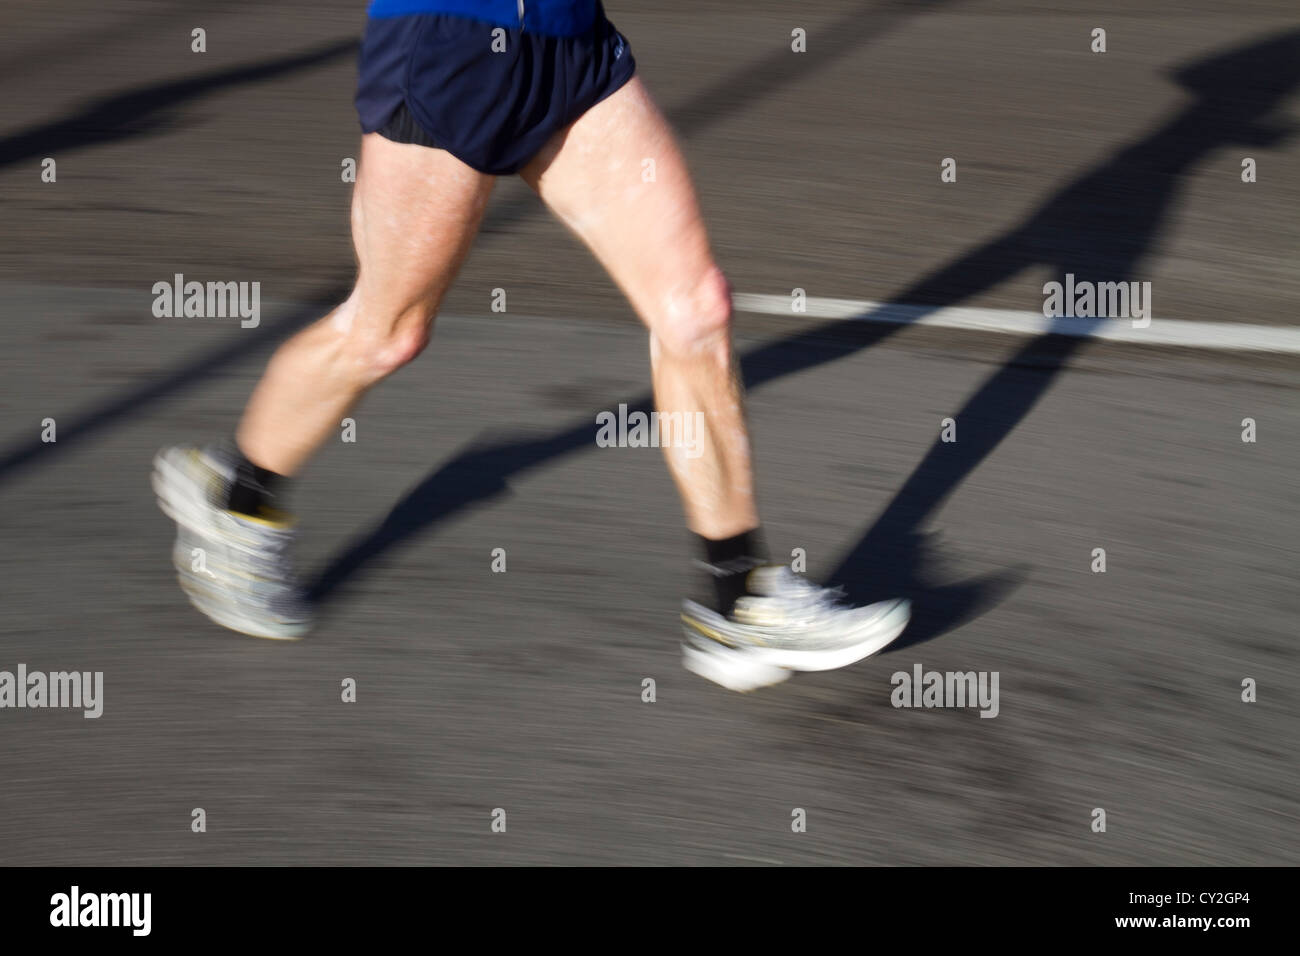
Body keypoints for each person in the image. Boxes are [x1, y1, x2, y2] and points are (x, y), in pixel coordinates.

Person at [152, 0, 909, 691]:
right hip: (450, 41)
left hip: (571, 47)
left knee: (695, 309)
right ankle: (236, 501)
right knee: (388, 332)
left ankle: (736, 599)